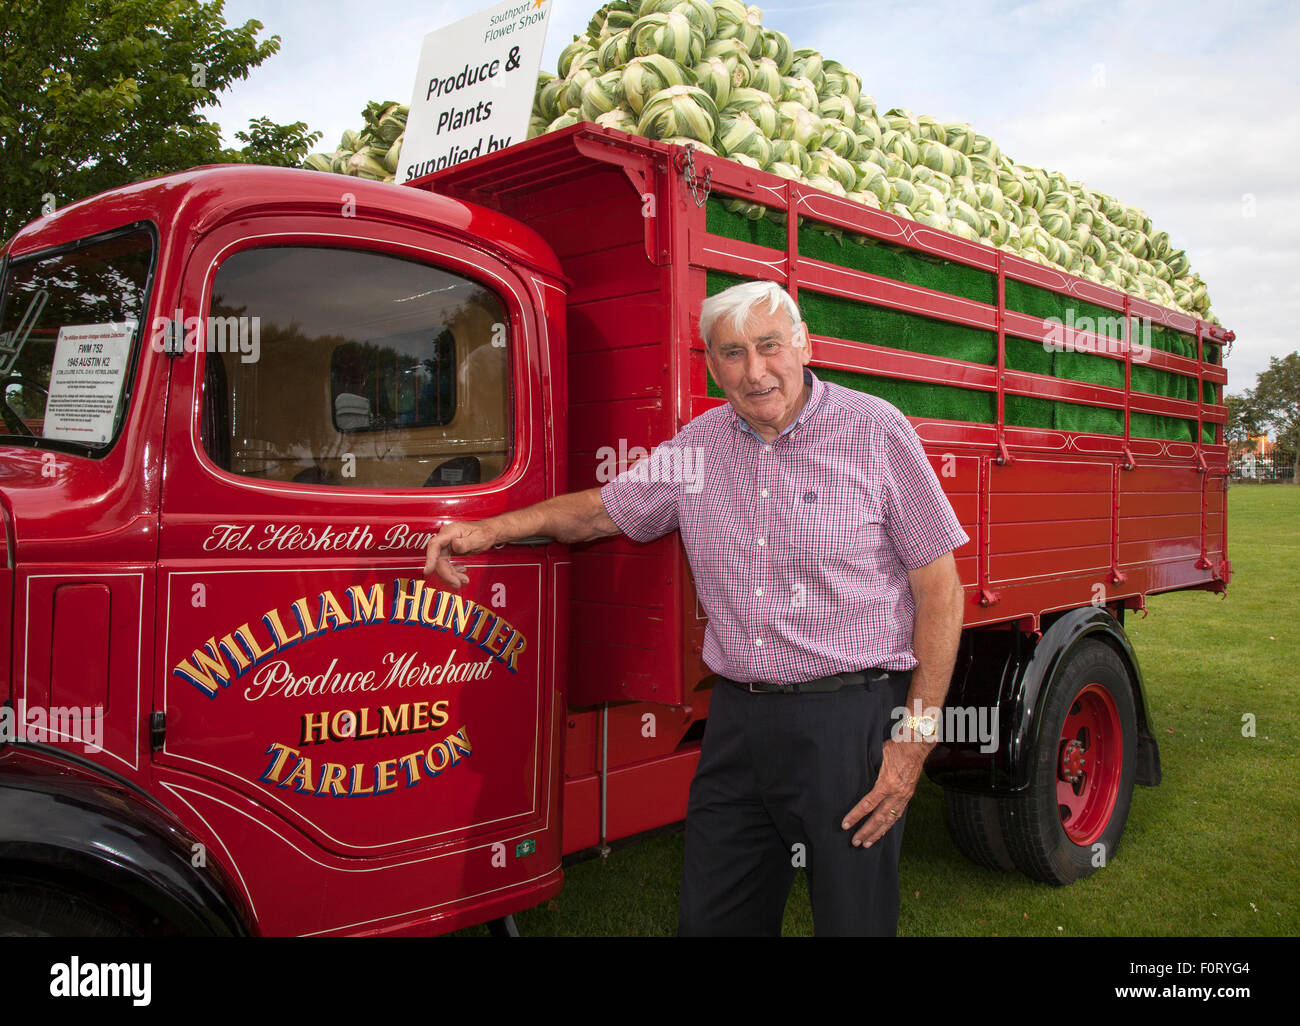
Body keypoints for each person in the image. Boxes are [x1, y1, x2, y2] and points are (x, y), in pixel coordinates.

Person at [423, 279, 968, 936]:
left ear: (803, 344)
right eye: (732, 353)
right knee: (713, 917)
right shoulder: (700, 446)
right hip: (737, 723)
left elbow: (940, 590)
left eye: (769, 346)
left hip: (847, 722)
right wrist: (491, 529)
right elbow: (601, 512)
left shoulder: (876, 430)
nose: (755, 370)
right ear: (711, 365)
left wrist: (912, 743)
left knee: (853, 921)